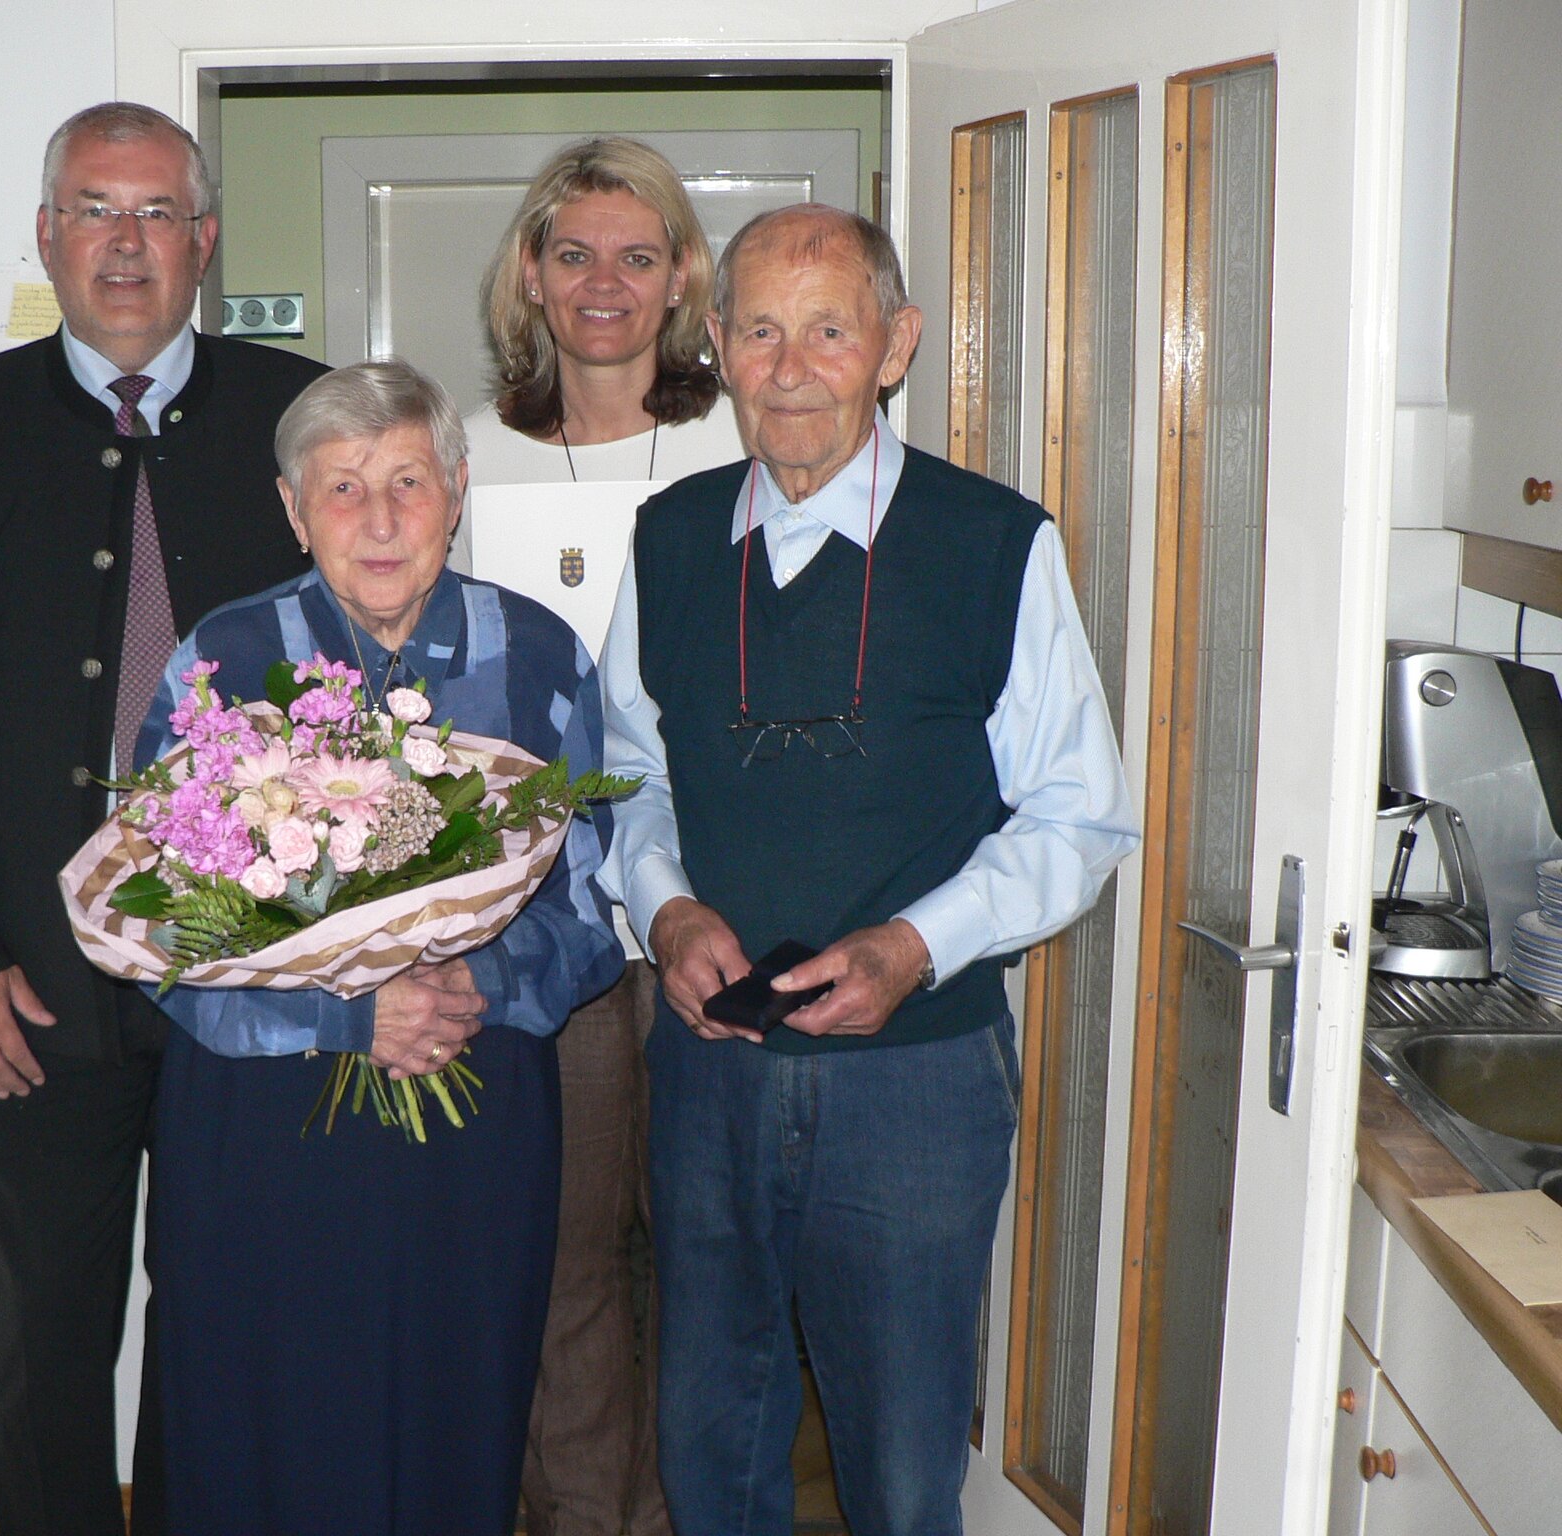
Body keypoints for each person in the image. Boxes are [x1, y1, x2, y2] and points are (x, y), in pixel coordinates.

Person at [599, 204, 1140, 1536]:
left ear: (893, 346)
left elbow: (1080, 817)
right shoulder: (667, 541)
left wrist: (916, 947)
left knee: (902, 1461)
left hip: (918, 1084)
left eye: (829, 330)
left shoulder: (995, 543)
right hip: (711, 1070)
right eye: (761, 331)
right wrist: (663, 909)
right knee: (708, 1434)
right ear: (716, 344)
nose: (790, 369)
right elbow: (628, 771)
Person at [0, 102, 325, 1536]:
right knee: (50, 1338)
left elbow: (360, 679)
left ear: (205, 242)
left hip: (244, 974)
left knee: (219, 1320)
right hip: (27, 987)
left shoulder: (302, 412)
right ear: (49, 236)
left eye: (159, 212)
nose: (127, 243)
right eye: (96, 211)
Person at [135, 359, 625, 1536]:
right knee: (264, 1409)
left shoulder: (541, 655)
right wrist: (346, 1014)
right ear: (294, 510)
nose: (381, 517)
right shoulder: (220, 662)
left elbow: (594, 894)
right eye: (343, 488)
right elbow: (160, 919)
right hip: (265, 1112)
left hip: (471, 1090)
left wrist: (475, 980)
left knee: (457, 1396)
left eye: (407, 478)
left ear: (457, 491)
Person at [463, 136, 745, 1536]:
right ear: (530, 270)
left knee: (702, 1258)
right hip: (540, 934)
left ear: (684, 275)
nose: (603, 282)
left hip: (713, 917)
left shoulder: (744, 440)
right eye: (572, 252)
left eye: (640, 255)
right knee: (565, 1263)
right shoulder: (458, 453)